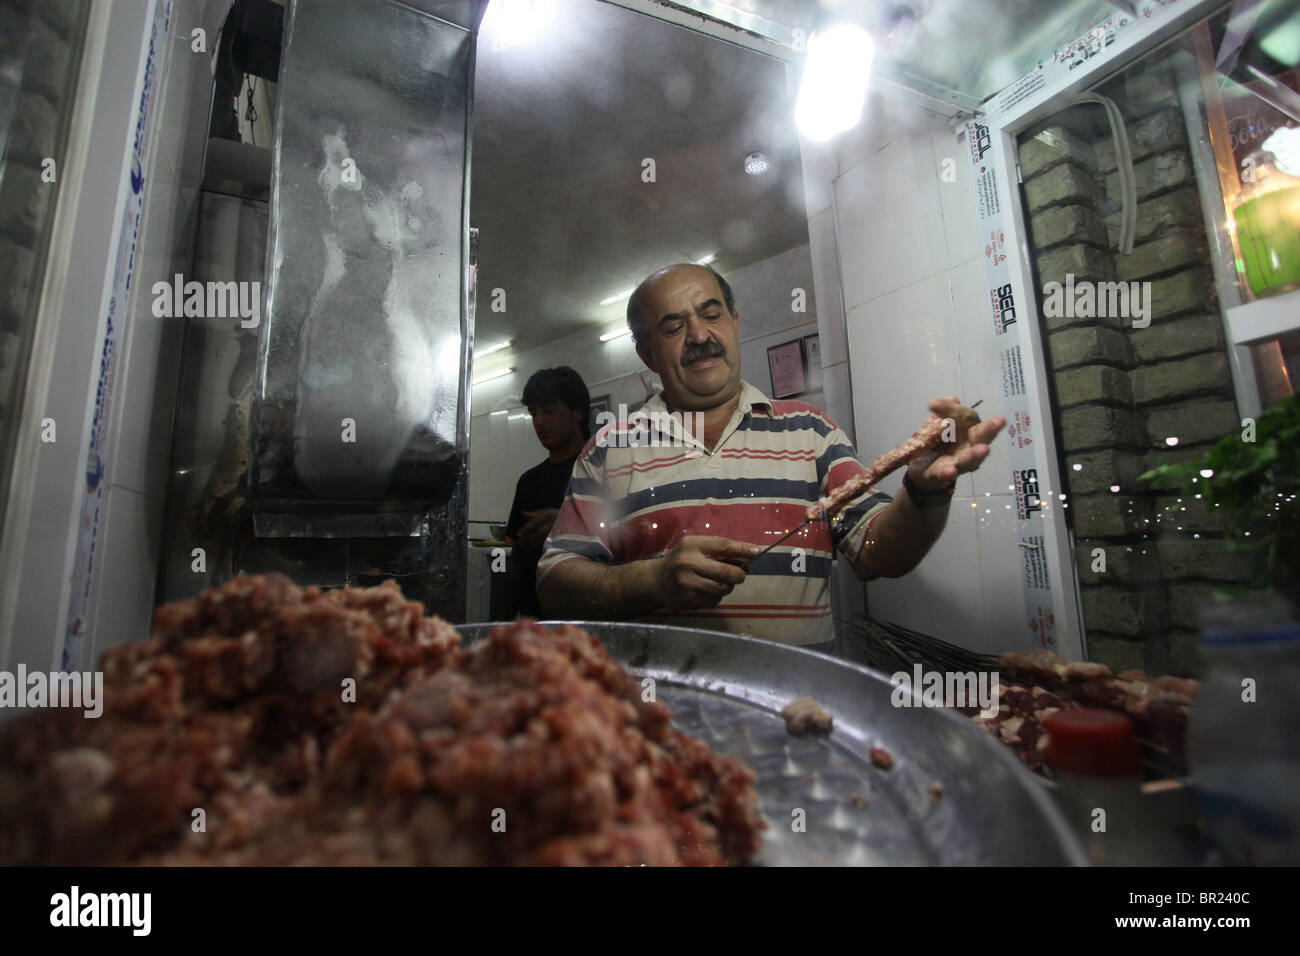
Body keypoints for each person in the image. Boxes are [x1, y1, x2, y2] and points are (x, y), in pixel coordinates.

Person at [535, 263, 1006, 649]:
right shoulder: (609, 449)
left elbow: (878, 554)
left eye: (711, 314)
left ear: (735, 324)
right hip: (657, 720)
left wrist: (924, 491)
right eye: (674, 326)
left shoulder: (812, 431)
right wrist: (654, 580)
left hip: (797, 718)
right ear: (647, 354)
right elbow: (555, 583)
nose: (699, 335)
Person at [503, 366, 591, 617]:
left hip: (585, 618)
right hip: (532, 619)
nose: (539, 421)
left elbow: (625, 542)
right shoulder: (529, 481)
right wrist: (502, 619)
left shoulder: (601, 469)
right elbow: (509, 552)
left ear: (577, 412)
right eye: (533, 413)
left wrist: (566, 524)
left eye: (549, 411)